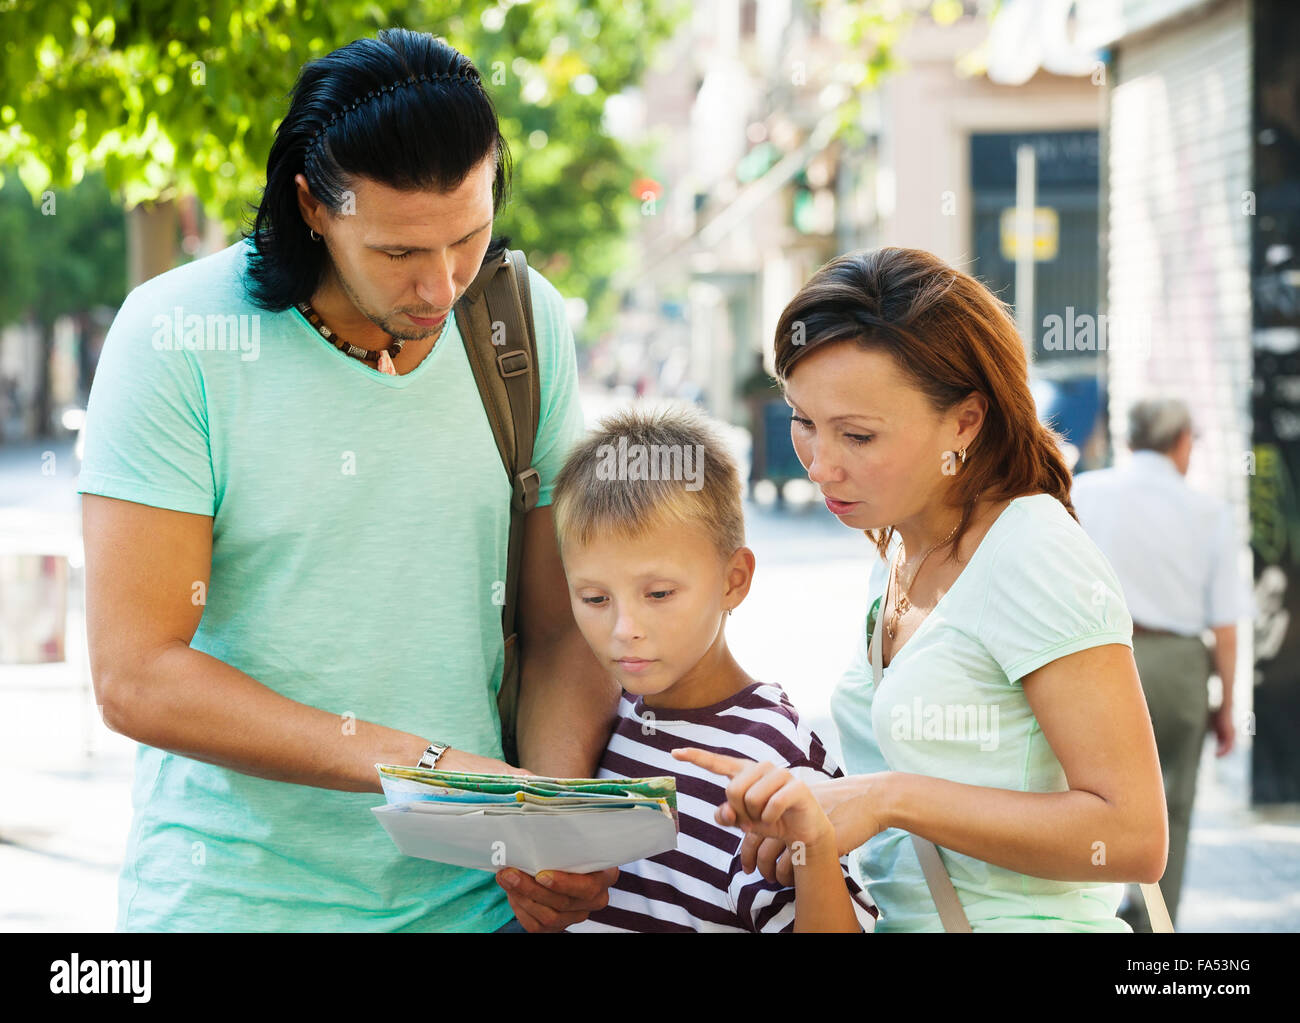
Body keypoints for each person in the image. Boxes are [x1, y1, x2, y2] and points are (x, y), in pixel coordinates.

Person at [77, 29, 621, 932]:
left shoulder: (521, 326)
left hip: (474, 908)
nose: (444, 285)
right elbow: (138, 675)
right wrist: (430, 769)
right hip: (231, 905)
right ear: (313, 207)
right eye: (400, 253)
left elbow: (561, 622)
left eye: (470, 236)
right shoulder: (177, 338)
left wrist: (541, 822)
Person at [719, 246, 1168, 931]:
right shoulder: (900, 541)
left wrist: (887, 798)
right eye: (804, 421)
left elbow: (1133, 836)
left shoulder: (1032, 552)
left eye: (859, 435)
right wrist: (813, 811)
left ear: (964, 420)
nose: (821, 465)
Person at [552, 404, 876, 931]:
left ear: (733, 580)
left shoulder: (773, 759)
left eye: (658, 593)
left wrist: (812, 847)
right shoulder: (598, 719)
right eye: (593, 598)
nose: (623, 628)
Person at [1072, 397, 1242, 930]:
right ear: (1183, 443)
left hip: (1090, 658)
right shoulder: (1210, 512)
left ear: (1129, 441)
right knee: (1173, 803)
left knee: (1079, 792)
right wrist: (1227, 705)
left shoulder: (1083, 492)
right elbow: (1227, 623)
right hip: (1179, 668)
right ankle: (1154, 925)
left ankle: (1087, 911)